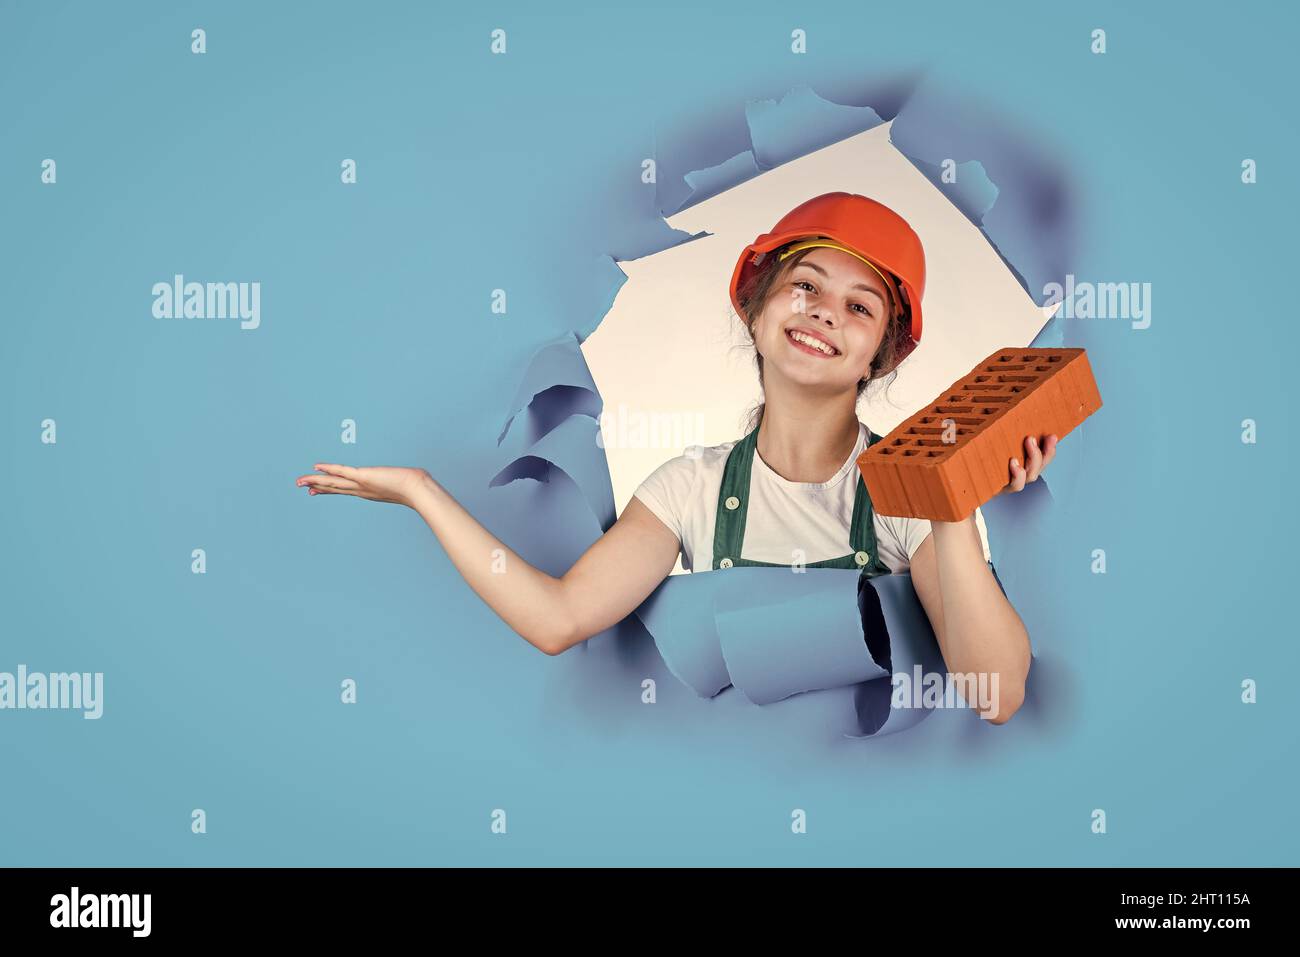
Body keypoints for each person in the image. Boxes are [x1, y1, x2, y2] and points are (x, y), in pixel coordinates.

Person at [295, 193, 1055, 724]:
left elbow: (997, 695)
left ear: (879, 357)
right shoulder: (691, 487)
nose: (825, 310)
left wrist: (950, 501)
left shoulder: (905, 494)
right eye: (804, 285)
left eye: (860, 306)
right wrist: (424, 492)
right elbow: (559, 618)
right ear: (756, 313)